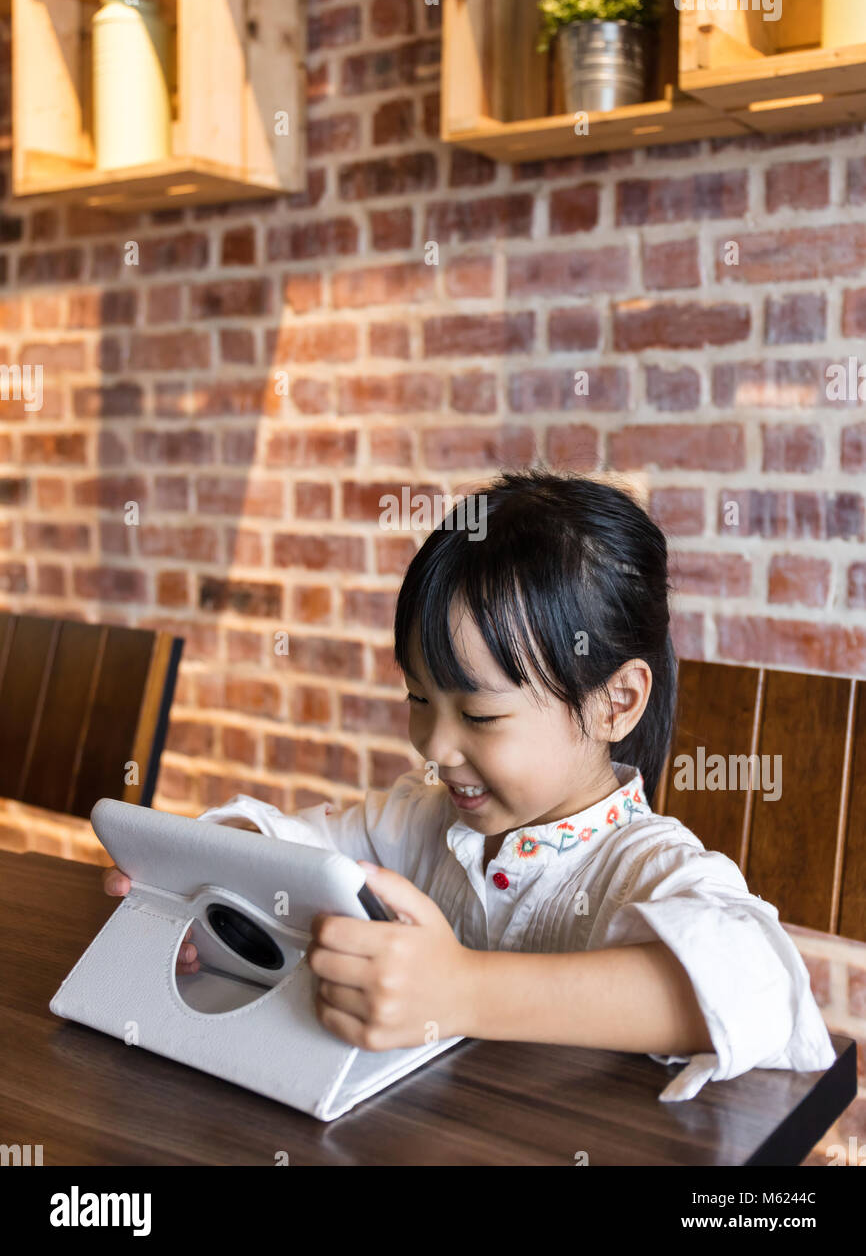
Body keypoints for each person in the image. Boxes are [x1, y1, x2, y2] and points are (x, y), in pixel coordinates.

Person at [104, 467, 836, 1101]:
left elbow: (759, 985)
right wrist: (205, 878)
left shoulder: (643, 864)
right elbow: (295, 845)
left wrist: (462, 990)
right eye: (419, 700)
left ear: (616, 702)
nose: (434, 745)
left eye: (480, 715)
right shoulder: (418, 822)